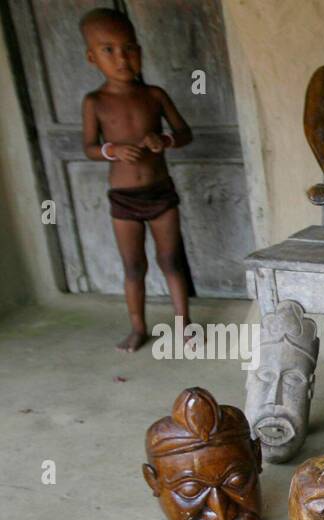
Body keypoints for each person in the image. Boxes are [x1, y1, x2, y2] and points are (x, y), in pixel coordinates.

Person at [79, 7, 193, 353]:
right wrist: (112, 150)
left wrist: (165, 141)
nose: (122, 58)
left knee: (171, 260)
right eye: (108, 50)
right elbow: (88, 148)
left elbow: (184, 133)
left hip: (161, 193)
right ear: (91, 57)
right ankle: (138, 327)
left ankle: (183, 326)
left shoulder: (154, 95)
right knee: (133, 266)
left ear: (140, 51)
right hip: (124, 198)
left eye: (129, 48)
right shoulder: (95, 102)